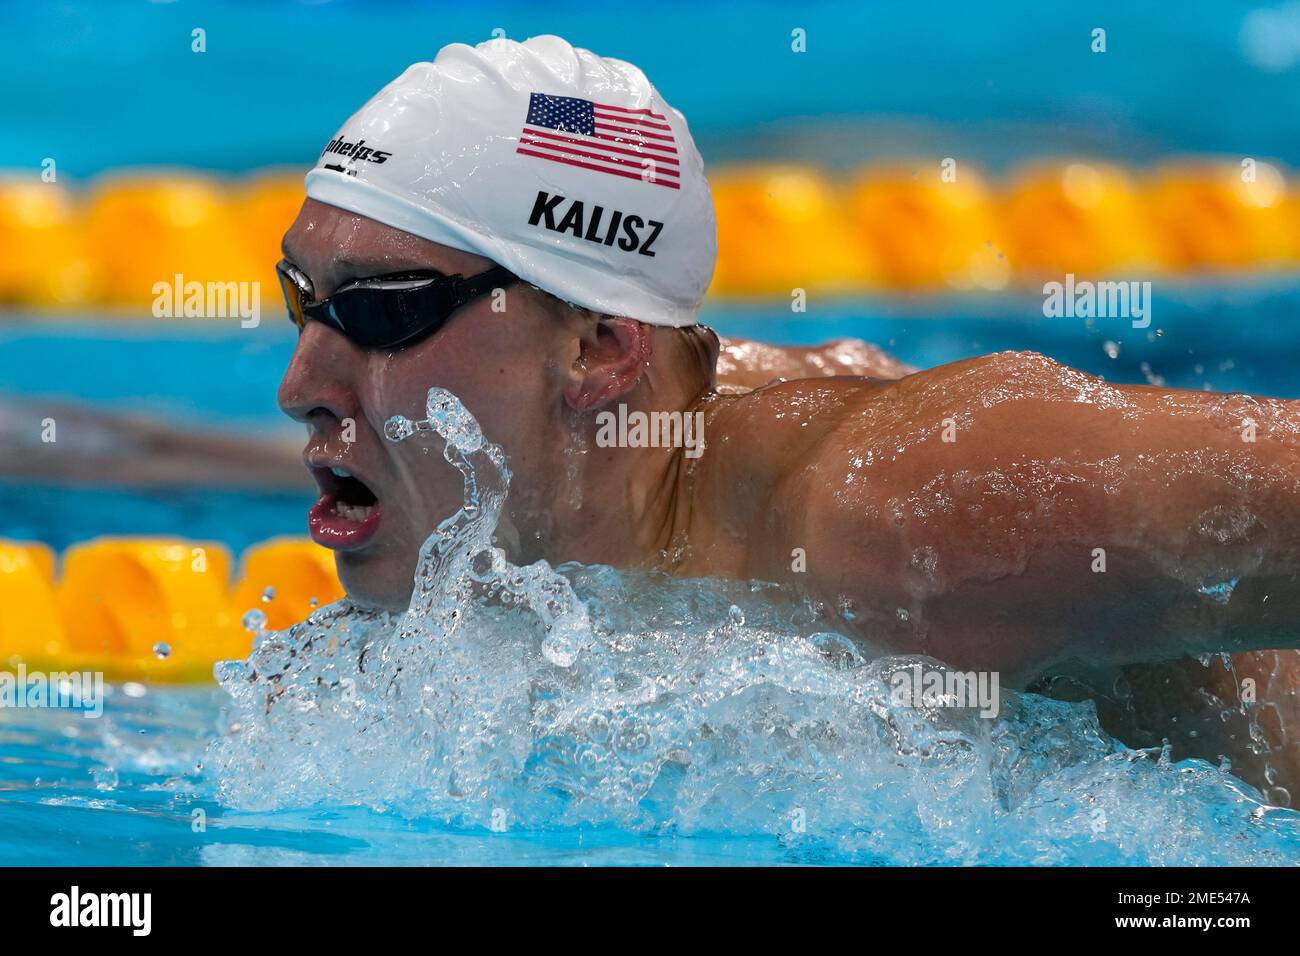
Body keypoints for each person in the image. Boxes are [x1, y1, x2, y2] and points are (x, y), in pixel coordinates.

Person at [277, 35, 1300, 704]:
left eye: (381, 311)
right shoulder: (569, 507)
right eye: (302, 300)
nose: (298, 383)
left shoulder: (912, 505)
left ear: (597, 351)